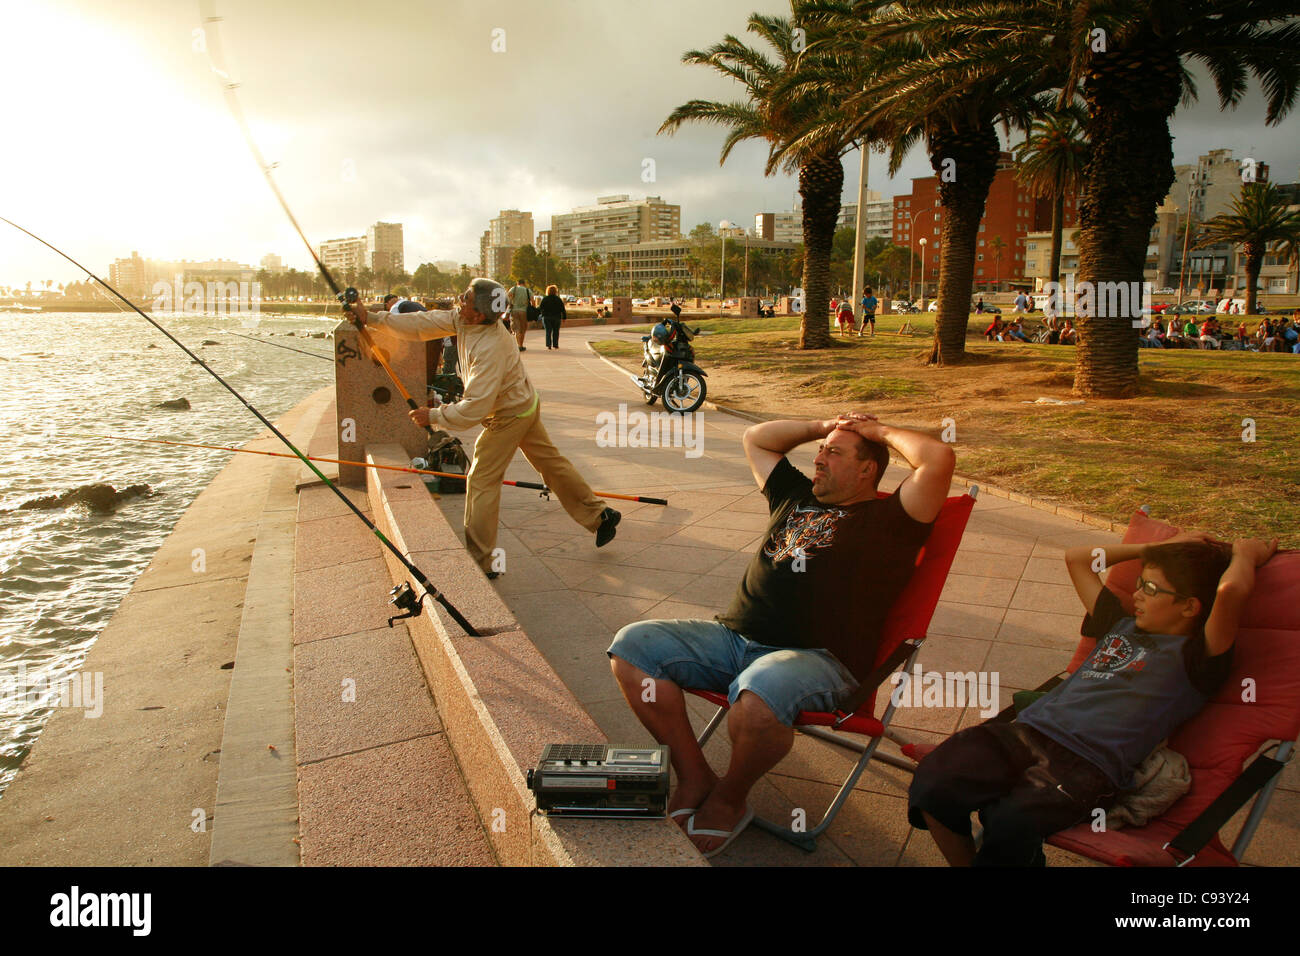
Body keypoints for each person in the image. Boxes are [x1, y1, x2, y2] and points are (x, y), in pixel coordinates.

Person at [607, 413, 955, 856]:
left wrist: (878, 431)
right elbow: (757, 438)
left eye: (834, 452)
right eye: (821, 449)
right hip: (733, 640)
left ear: (868, 469)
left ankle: (730, 800)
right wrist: (827, 425)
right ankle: (695, 776)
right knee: (632, 645)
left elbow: (938, 457)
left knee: (760, 695)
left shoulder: (894, 519)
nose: (819, 458)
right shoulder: (795, 495)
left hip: (818, 660)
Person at [909, 532, 1276, 866]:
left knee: (1010, 822)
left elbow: (1230, 593)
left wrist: (1244, 556)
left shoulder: (1198, 657)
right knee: (935, 781)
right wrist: (1154, 548)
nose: (1137, 594)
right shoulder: (1118, 622)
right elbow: (1078, 558)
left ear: (1189, 607)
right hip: (1025, 733)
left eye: (1150, 588)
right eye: (1139, 583)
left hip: (1086, 765)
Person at [348, 278, 621, 577]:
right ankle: (599, 515)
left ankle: (482, 563)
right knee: (551, 464)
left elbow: (475, 406)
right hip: (525, 403)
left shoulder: (489, 348)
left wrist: (434, 416)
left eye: (465, 298)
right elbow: (421, 323)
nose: (459, 300)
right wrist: (372, 318)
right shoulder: (463, 318)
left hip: (509, 415)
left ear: (479, 314)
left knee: (480, 480)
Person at [539, 284, 566, 350]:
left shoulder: (545, 299)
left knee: (548, 331)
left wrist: (540, 314)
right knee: (556, 331)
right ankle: (555, 345)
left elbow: (540, 308)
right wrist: (564, 317)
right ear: (555, 291)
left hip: (547, 317)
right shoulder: (558, 299)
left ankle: (548, 345)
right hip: (556, 317)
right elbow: (562, 309)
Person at [509, 278, 531, 351]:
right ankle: (521, 344)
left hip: (514, 310)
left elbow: (508, 297)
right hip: (524, 311)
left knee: (517, 328)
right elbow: (533, 301)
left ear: (517, 283)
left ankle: (518, 345)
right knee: (523, 329)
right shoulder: (527, 290)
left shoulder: (513, 289)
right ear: (524, 283)